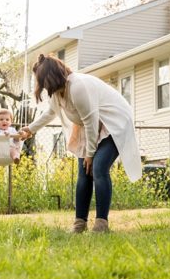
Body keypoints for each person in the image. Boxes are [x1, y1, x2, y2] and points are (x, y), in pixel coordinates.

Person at [18, 53, 142, 234]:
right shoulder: (56, 92)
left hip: (113, 121)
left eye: (43, 82)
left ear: (51, 77)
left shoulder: (78, 86)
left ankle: (101, 224)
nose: (43, 87)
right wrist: (29, 129)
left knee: (98, 168)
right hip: (89, 126)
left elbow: (92, 121)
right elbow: (49, 114)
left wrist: (90, 154)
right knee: (84, 172)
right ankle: (79, 223)